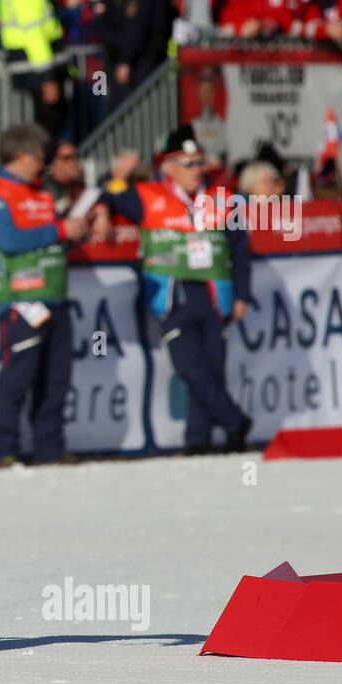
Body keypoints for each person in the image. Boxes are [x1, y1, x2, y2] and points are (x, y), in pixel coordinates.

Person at [92, 126, 252, 454]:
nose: (196, 170)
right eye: (187, 164)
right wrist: (110, 196)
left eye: (199, 163)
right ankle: (234, 420)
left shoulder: (222, 200)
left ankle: (199, 440)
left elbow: (240, 250)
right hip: (172, 294)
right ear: (170, 168)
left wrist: (242, 295)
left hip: (214, 293)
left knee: (212, 367)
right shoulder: (149, 195)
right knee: (189, 366)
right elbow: (107, 194)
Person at [0, 124, 88, 465]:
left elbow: (53, 236)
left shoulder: (42, 192)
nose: (44, 164)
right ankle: (3, 449)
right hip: (21, 300)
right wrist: (58, 229)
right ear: (22, 156)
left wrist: (75, 232)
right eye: (39, 157)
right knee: (17, 378)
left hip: (55, 294)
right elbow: (9, 241)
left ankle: (49, 448)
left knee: (56, 380)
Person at [0, 0, 64, 139]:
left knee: (45, 124)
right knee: (47, 126)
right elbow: (35, 37)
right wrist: (47, 79)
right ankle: (46, 167)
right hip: (36, 69)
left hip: (32, 68)